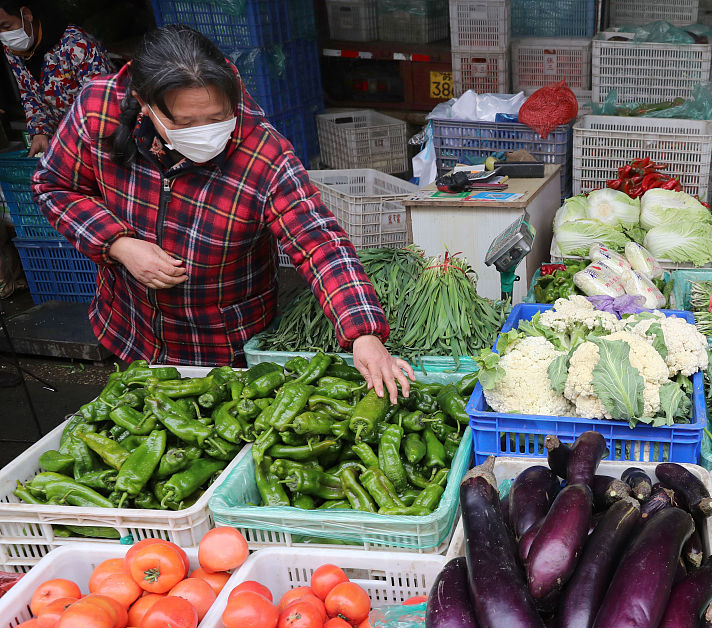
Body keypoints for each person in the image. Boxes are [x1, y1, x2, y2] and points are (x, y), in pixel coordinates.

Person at [32, 24, 414, 401]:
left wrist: (363, 333)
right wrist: (118, 244)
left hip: (223, 343)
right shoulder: (99, 110)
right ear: (144, 105)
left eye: (217, 118)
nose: (205, 132)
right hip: (131, 325)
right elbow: (53, 185)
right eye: (184, 123)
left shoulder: (263, 154)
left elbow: (319, 244)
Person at [0, 2, 113, 156]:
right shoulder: (13, 50)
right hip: (64, 147)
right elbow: (28, 94)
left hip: (101, 144)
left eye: (6, 27)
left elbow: (103, 103)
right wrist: (40, 132)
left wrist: (75, 143)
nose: (4, 36)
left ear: (26, 14)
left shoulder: (77, 44)